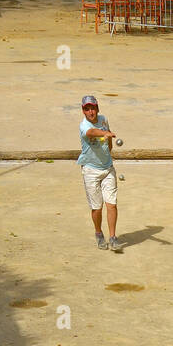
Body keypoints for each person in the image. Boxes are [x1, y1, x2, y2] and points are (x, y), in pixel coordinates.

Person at [78, 95, 123, 252]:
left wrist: (109, 143)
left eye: (93, 108)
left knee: (111, 203)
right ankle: (98, 233)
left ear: (97, 108)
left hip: (107, 168)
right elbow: (91, 132)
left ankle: (113, 237)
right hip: (90, 170)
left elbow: (107, 132)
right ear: (83, 111)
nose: (91, 111)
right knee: (97, 207)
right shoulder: (84, 126)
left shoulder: (103, 119)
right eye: (87, 109)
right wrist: (104, 134)